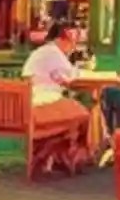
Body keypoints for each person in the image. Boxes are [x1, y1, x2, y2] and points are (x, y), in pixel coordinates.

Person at [21, 22, 91, 160]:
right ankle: (77, 155)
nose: (73, 46)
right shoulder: (53, 53)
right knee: (84, 115)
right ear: (60, 39)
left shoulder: (42, 52)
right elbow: (71, 76)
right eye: (71, 41)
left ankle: (59, 154)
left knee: (77, 107)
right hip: (42, 105)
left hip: (32, 102)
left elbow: (60, 76)